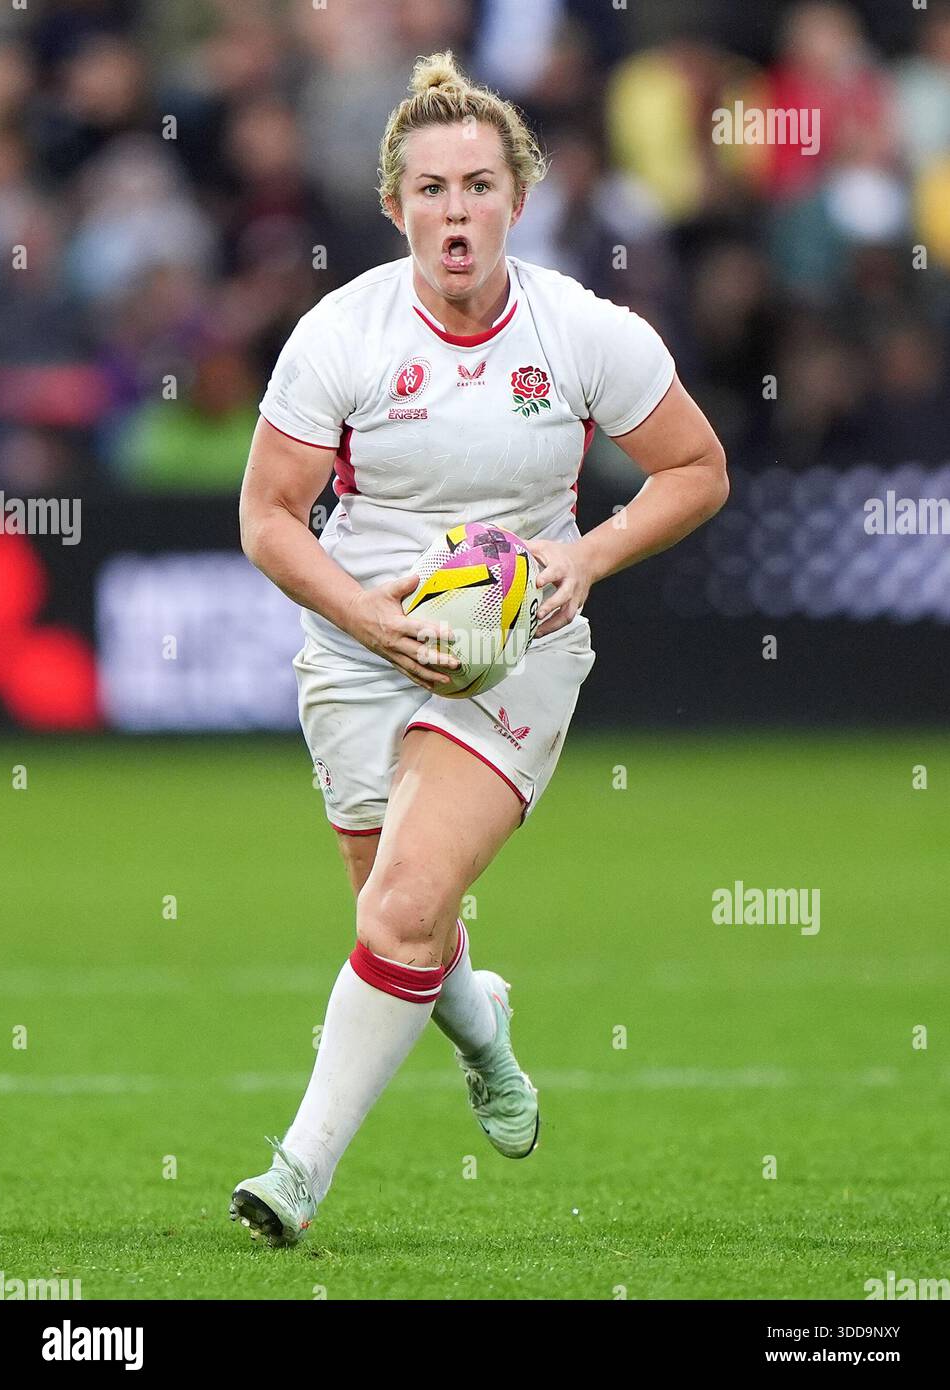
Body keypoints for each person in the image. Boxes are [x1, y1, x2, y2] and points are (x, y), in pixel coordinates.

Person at [230, 50, 728, 1246]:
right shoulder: (339, 334)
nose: (457, 212)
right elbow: (264, 518)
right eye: (433, 190)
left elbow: (697, 469)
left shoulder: (581, 330)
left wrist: (588, 558)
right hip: (357, 645)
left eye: (480, 186)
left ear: (521, 194)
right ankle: (485, 1027)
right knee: (400, 922)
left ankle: (296, 1170)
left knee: (400, 908)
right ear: (395, 204)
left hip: (518, 647)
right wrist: (367, 616)